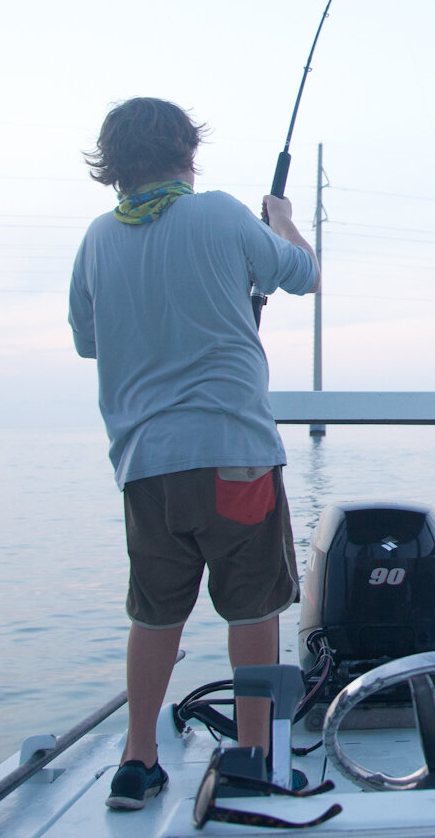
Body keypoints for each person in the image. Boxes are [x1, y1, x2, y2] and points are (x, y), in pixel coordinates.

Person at [68, 97, 318, 811]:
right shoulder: (218, 215)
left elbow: (90, 341)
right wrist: (281, 221)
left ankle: (136, 759)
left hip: (145, 465)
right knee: (253, 609)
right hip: (234, 454)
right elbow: (302, 275)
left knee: (154, 614)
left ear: (112, 166)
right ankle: (254, 758)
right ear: (188, 153)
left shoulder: (95, 238)